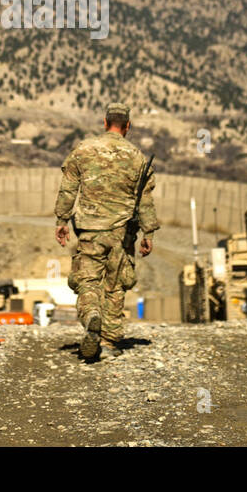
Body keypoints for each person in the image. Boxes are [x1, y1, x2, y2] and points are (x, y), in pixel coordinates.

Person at [54, 102, 158, 361]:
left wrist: (61, 221)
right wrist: (149, 234)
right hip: (122, 234)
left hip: (90, 231)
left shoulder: (83, 150)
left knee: (88, 281)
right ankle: (110, 342)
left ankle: (91, 316)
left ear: (104, 122)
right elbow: (145, 201)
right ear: (128, 126)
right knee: (115, 285)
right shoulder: (137, 157)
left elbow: (68, 189)